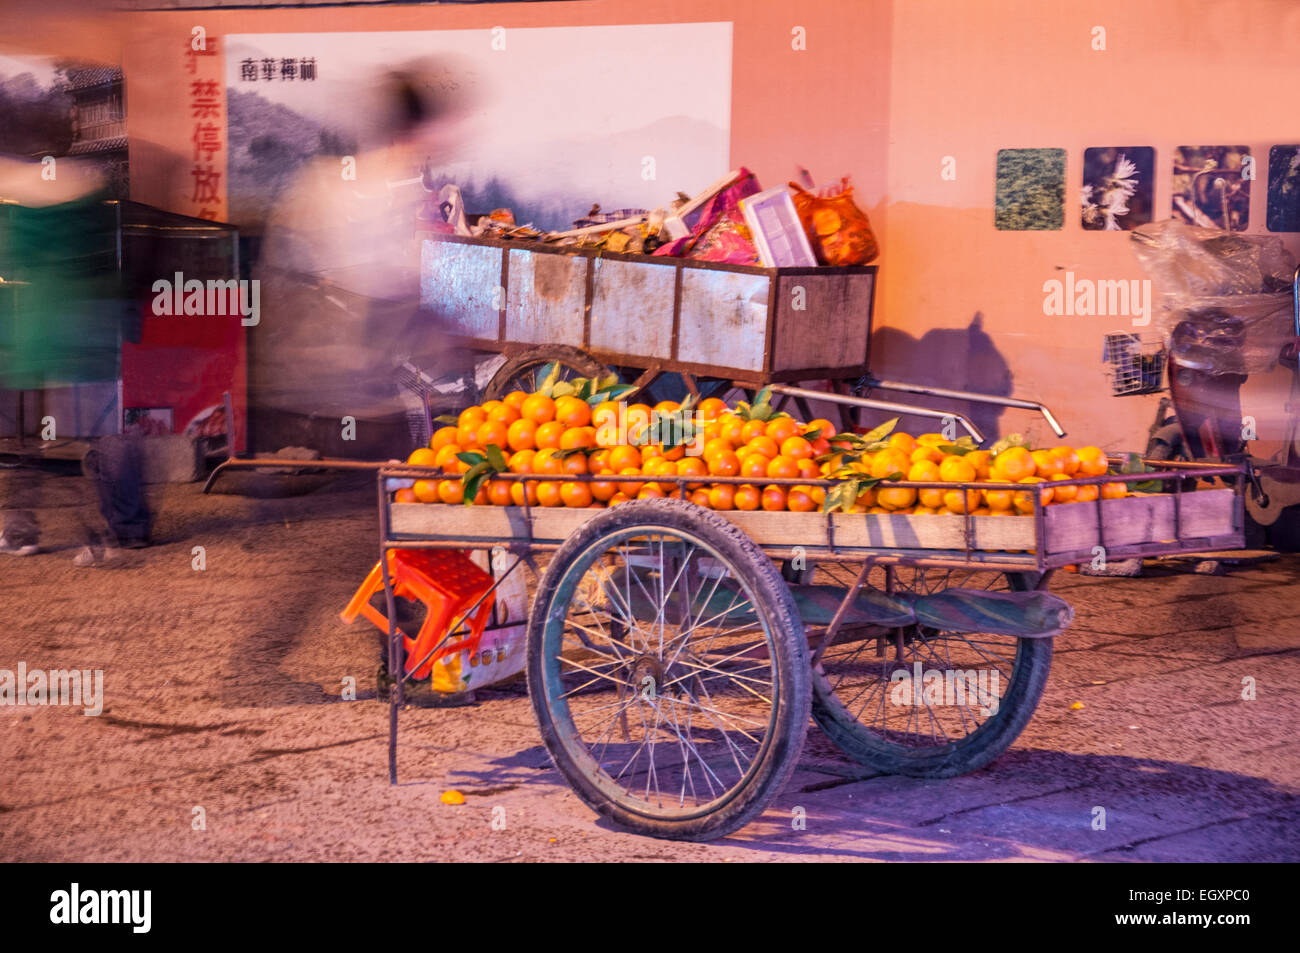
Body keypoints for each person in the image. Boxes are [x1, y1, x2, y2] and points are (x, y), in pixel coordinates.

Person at [0, 152, 145, 564]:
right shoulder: (92, 199)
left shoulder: (18, 204)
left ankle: (21, 532)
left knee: (28, 441)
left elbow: (15, 264)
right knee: (105, 435)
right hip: (95, 329)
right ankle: (124, 530)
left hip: (39, 332)